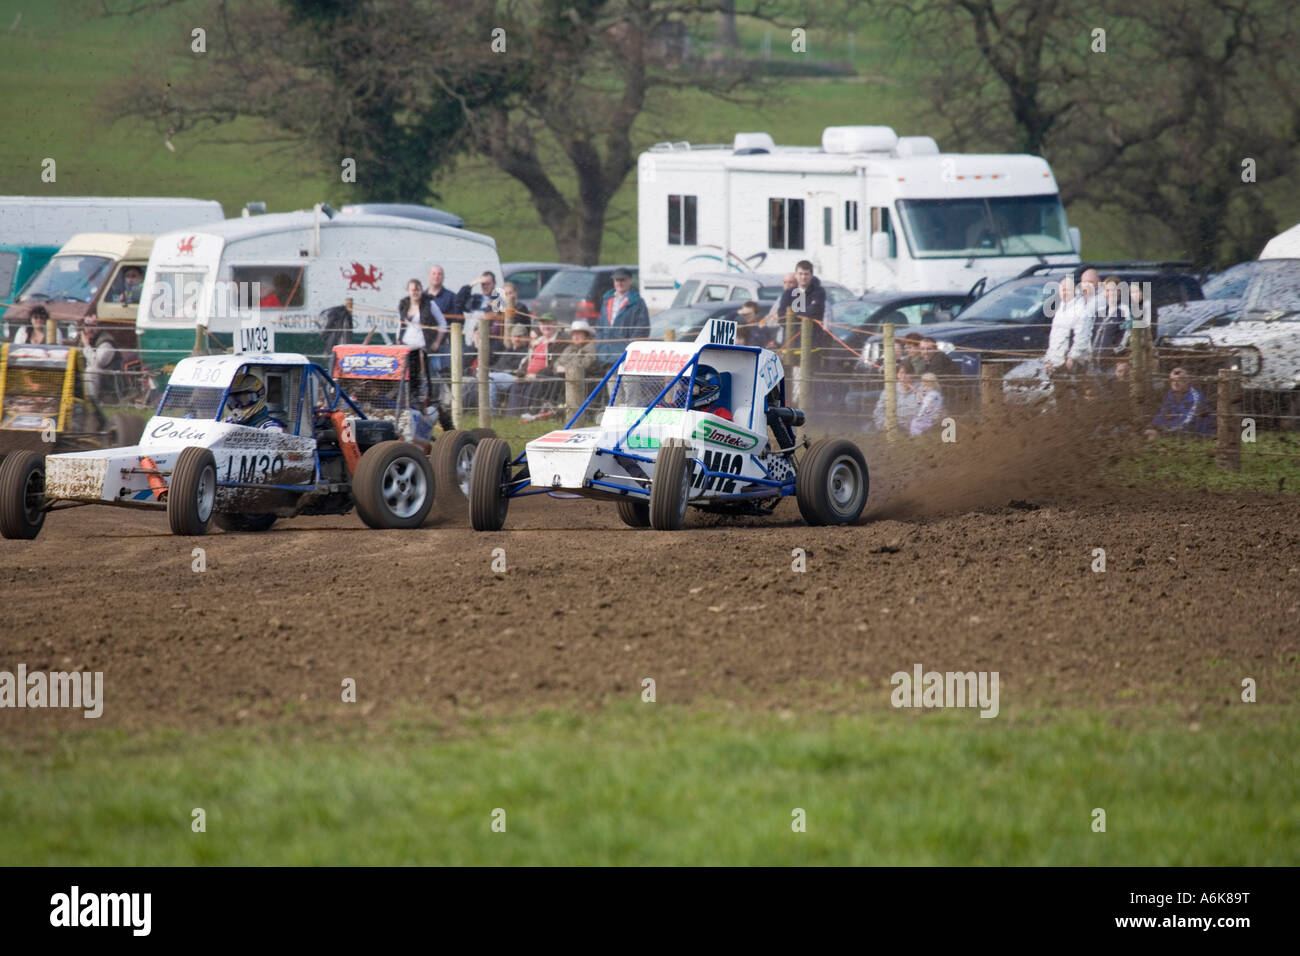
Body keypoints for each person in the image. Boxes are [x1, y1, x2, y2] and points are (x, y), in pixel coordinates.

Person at [1045, 268, 1100, 376]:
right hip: (1056, 362)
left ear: (1074, 290)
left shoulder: (1081, 310)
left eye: (1067, 289)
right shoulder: (1060, 310)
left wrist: (1072, 358)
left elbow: (1082, 337)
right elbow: (1054, 337)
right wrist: (1049, 358)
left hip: (1071, 362)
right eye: (1062, 289)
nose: (1065, 292)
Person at [594, 268, 649, 368]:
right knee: (611, 383)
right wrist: (600, 346)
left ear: (630, 281)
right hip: (607, 356)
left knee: (630, 383)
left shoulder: (637, 302)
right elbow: (600, 326)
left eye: (622, 280)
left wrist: (629, 349)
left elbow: (642, 329)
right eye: (617, 280)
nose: (619, 283)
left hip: (627, 359)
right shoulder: (607, 300)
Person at [1144, 367, 1214, 438]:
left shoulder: (1196, 397)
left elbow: (1188, 422)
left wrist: (1164, 433)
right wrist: (1153, 427)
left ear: (1187, 381)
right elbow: (1163, 415)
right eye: (1173, 380)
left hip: (1197, 435)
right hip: (1176, 433)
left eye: (1180, 380)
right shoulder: (1170, 395)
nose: (1175, 383)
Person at [397, 279, 447, 364]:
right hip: (406, 344)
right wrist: (398, 339)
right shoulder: (403, 305)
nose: (415, 293)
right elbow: (400, 324)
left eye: (418, 290)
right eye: (413, 290)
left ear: (422, 290)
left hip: (424, 346)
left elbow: (442, 323)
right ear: (408, 291)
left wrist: (437, 342)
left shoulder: (430, 304)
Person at [453, 271, 503, 345]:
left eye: (488, 284)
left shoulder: (498, 299)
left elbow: (495, 315)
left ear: (494, 284)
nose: (485, 286)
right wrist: (472, 284)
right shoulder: (476, 298)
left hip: (485, 336)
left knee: (477, 314)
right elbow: (457, 301)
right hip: (469, 335)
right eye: (483, 284)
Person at [871, 365, 921, 431]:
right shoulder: (889, 390)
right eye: (901, 373)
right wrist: (885, 423)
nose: (903, 376)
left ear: (913, 374)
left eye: (907, 373)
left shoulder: (920, 390)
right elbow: (878, 410)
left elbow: (923, 412)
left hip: (914, 430)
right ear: (897, 375)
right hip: (890, 429)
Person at [909, 373, 945, 437]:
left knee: (914, 423)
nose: (925, 388)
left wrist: (919, 416)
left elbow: (925, 407)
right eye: (924, 386)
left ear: (934, 385)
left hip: (929, 418)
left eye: (928, 386)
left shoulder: (931, 395)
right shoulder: (937, 394)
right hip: (934, 417)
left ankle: (917, 437)